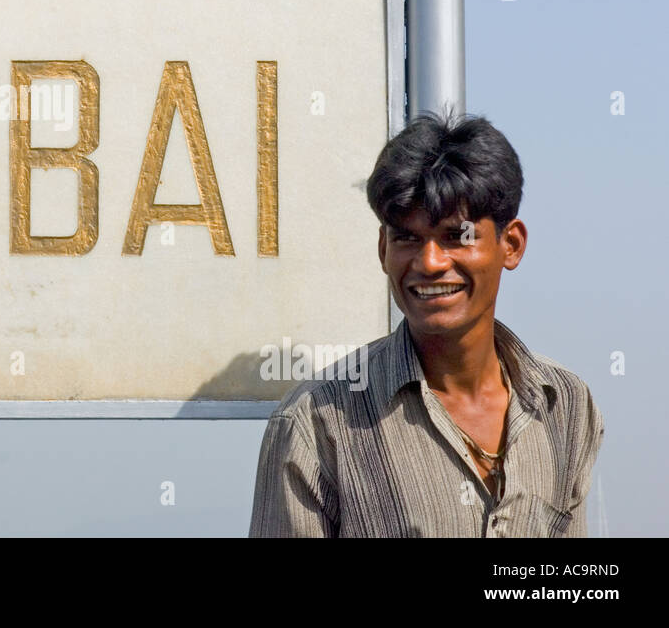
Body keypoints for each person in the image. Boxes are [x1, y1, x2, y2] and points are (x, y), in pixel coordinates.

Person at [249, 111, 603, 537]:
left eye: (457, 236)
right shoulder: (316, 423)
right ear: (383, 249)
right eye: (407, 238)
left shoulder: (564, 405)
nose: (429, 263)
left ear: (510, 245)